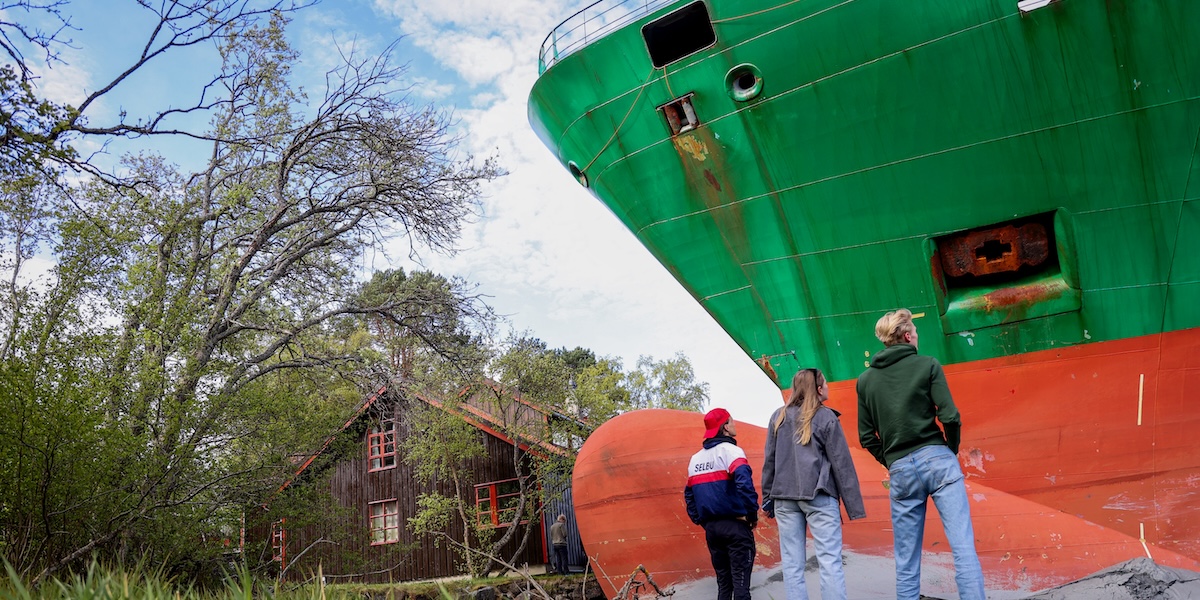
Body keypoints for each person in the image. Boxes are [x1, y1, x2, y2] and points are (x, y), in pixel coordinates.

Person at [856, 309, 985, 600]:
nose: (916, 337)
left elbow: (866, 437)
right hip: (937, 459)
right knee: (963, 548)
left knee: (906, 562)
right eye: (915, 332)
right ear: (906, 336)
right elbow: (950, 416)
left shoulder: (864, 381)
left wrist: (891, 460)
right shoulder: (927, 364)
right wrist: (948, 451)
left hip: (900, 470)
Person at [761, 367, 866, 600]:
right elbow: (842, 464)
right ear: (818, 389)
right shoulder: (825, 416)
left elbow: (770, 461)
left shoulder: (778, 417)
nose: (828, 386)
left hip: (784, 498)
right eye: (826, 383)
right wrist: (854, 507)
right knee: (829, 562)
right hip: (818, 495)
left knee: (791, 565)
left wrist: (767, 498)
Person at [685, 408, 760, 600]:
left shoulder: (695, 459)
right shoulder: (732, 452)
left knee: (724, 586)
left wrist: (702, 521)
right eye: (732, 421)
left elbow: (689, 495)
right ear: (725, 426)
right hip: (736, 526)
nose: (735, 425)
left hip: (712, 530)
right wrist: (752, 515)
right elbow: (744, 484)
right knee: (741, 587)